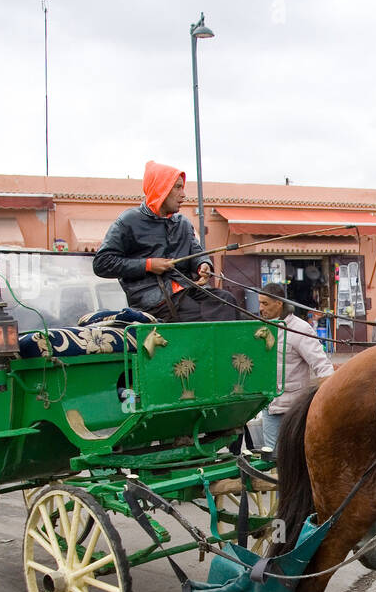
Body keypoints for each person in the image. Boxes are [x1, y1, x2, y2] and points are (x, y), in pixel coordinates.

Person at [93, 160, 238, 321]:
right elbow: (102, 263)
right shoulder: (129, 221)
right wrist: (148, 265)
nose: (183, 194)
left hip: (186, 289)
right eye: (177, 187)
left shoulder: (182, 223)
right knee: (200, 314)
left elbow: (196, 252)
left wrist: (202, 265)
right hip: (152, 299)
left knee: (228, 302)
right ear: (161, 189)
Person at [257, 284, 334, 449]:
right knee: (273, 459)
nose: (260, 308)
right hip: (269, 406)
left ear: (279, 303)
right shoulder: (261, 326)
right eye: (260, 303)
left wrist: (323, 405)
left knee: (295, 459)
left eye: (265, 304)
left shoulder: (300, 329)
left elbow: (323, 367)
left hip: (293, 410)